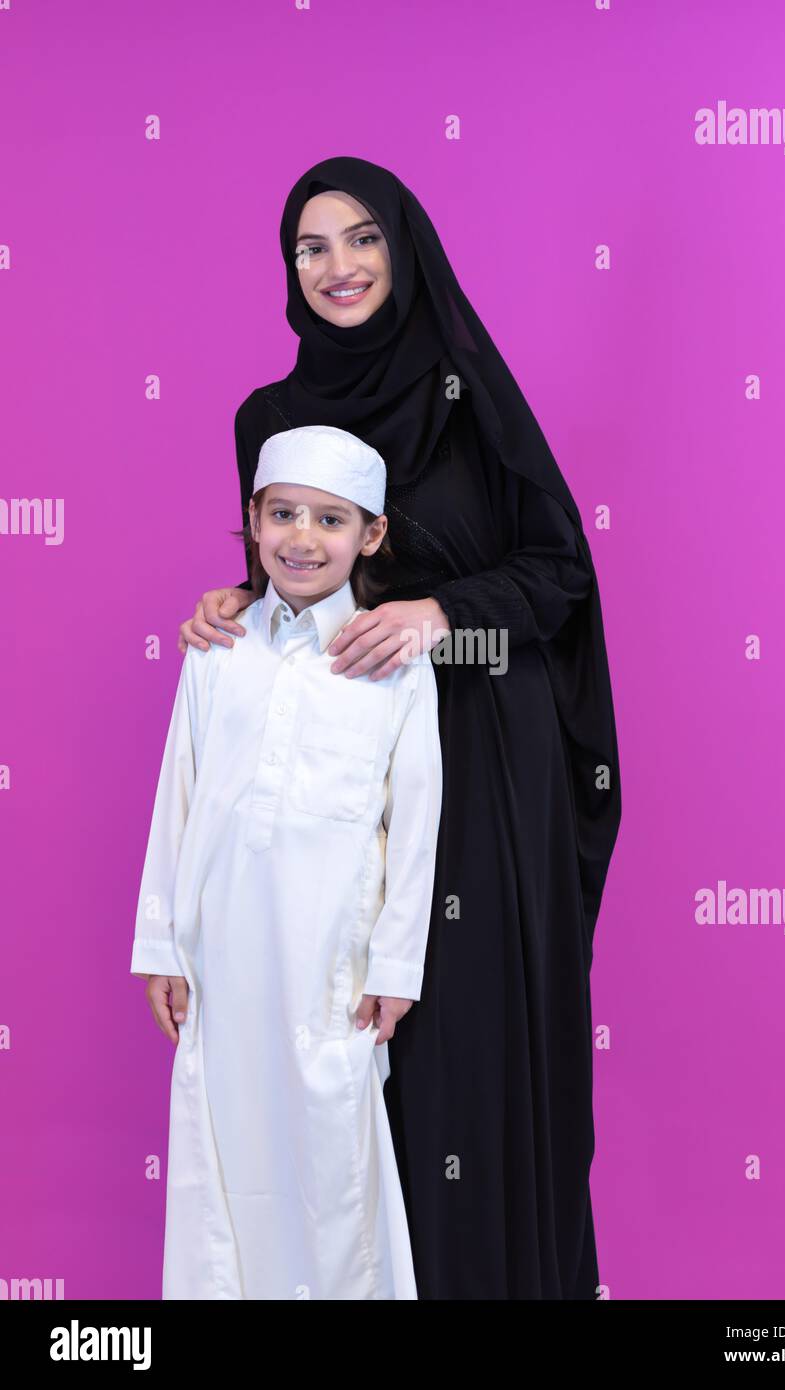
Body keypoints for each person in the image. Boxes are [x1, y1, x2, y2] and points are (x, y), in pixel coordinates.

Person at [178, 156, 622, 1299]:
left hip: (479, 767)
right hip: (339, 787)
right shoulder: (269, 417)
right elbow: (294, 564)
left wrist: (440, 614)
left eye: (363, 238)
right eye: (310, 247)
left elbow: (560, 569)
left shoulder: (469, 392)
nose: (339, 267)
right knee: (345, 1049)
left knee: (454, 1048)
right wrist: (239, 602)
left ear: (405, 248)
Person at [131, 424, 443, 1300]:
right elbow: (177, 798)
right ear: (253, 520)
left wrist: (395, 965)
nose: (302, 539)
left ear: (370, 535)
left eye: (329, 520)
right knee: (222, 1147)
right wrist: (160, 946)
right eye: (283, 515)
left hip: (329, 964)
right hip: (218, 951)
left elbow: (414, 823)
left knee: (329, 1153)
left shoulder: (391, 664)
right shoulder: (218, 651)